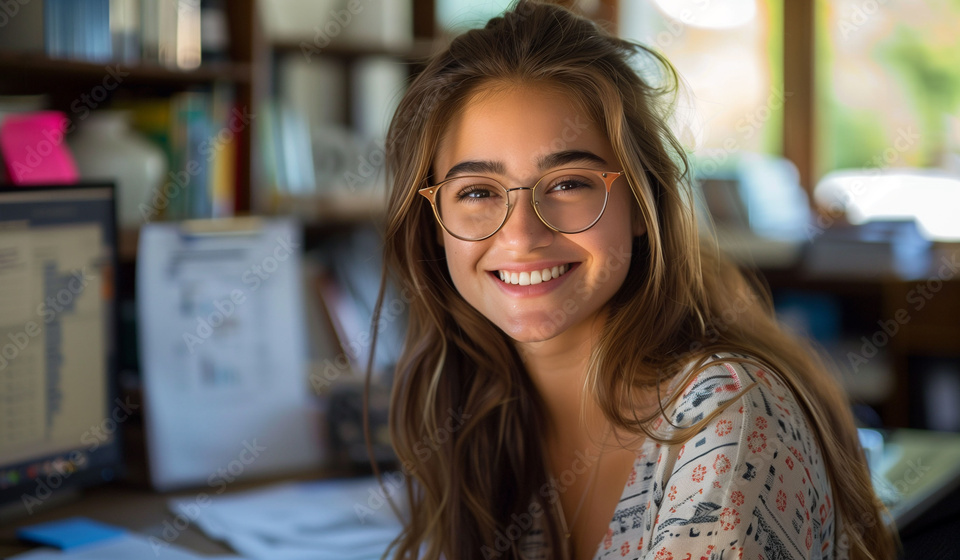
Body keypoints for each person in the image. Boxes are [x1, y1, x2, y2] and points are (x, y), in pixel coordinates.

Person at [366, 1, 897, 558]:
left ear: (643, 205)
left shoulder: (727, 419)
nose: (521, 235)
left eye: (568, 183)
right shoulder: (475, 417)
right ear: (434, 223)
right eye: (476, 192)